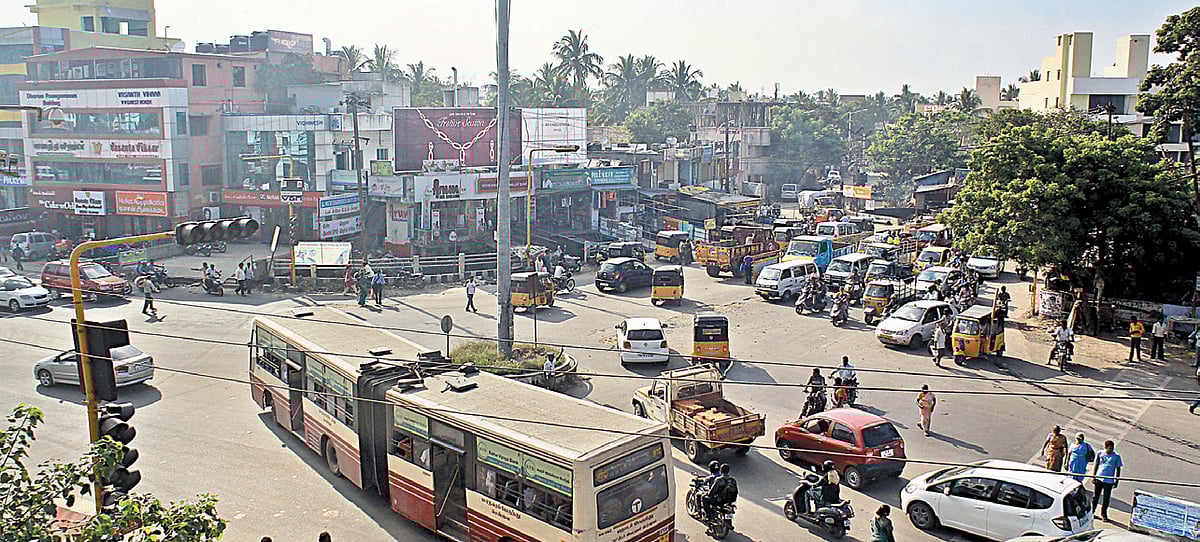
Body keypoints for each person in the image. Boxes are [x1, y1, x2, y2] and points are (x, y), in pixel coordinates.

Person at [1091, 440, 1123, 521]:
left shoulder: (1116, 456)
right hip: (1099, 478)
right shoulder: (1100, 453)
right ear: (1105, 447)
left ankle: (1103, 514)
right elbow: (1096, 464)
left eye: (1112, 448)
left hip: (1109, 481)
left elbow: (1118, 469)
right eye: (1109, 448)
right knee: (1095, 497)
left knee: (1106, 498)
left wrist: (1117, 480)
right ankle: (1091, 512)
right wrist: (1093, 476)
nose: (1111, 450)